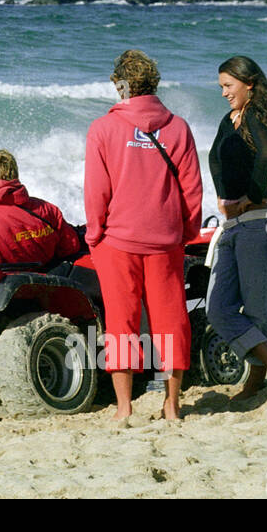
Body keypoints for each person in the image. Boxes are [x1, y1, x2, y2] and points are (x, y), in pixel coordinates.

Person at [85, 50, 202, 420]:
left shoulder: (103, 129)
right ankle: (172, 405)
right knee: (171, 319)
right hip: (166, 240)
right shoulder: (179, 127)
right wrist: (186, 231)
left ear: (120, 85)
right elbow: (192, 189)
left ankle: (124, 408)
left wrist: (93, 233)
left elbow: (96, 190)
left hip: (117, 241)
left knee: (121, 321)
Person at [206, 56, 267, 399]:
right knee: (218, 310)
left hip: (261, 223)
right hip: (235, 226)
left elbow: (266, 155)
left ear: (249, 84)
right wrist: (222, 197)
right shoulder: (229, 120)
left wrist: (251, 195)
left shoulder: (256, 115)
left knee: (258, 311)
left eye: (228, 86)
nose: (224, 93)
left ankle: (263, 378)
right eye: (221, 87)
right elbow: (215, 158)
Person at [0, 149, 81, 269]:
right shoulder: (47, 208)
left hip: (13, 284)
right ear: (15, 174)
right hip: (51, 277)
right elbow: (70, 247)